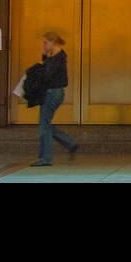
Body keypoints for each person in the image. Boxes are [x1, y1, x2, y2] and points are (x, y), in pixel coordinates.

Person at [31, 31, 79, 166]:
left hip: (52, 93)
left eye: (46, 42)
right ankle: (69, 142)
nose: (44, 45)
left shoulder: (59, 58)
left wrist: (42, 62)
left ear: (53, 42)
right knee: (45, 124)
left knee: (44, 124)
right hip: (53, 93)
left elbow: (46, 75)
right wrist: (44, 56)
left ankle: (46, 158)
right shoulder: (55, 57)